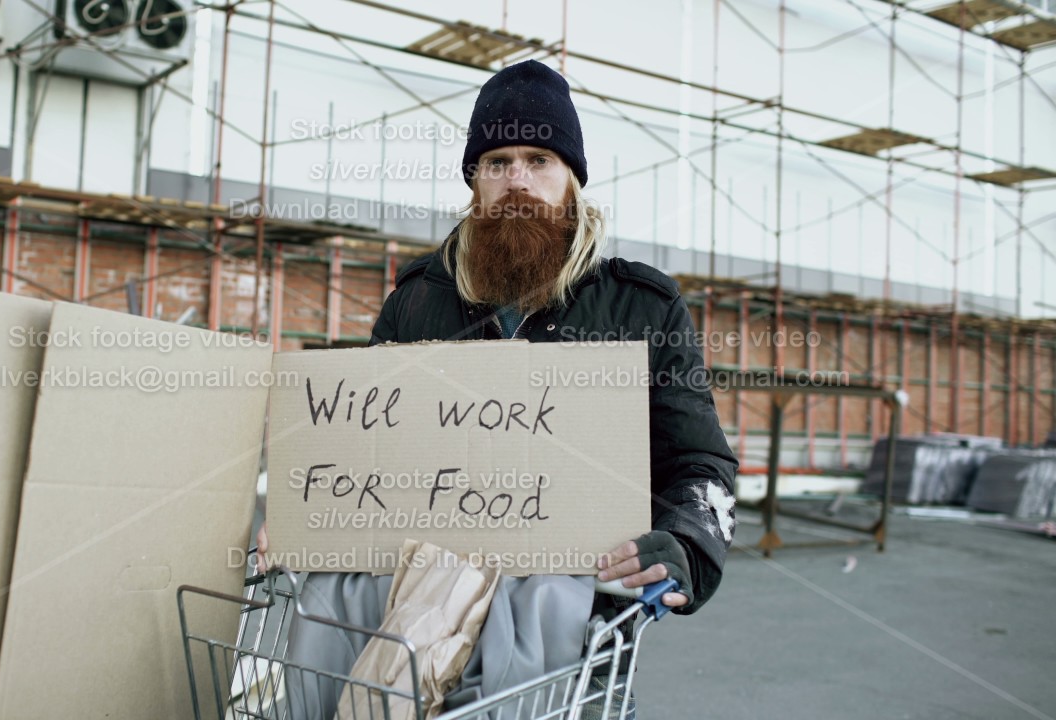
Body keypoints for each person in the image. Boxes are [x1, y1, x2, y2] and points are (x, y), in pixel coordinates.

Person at [257, 59, 738, 718]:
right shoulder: (417, 302)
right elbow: (364, 452)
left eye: (539, 159)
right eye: (497, 162)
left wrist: (684, 543)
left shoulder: (642, 307)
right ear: (474, 184)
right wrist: (300, 522)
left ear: (571, 181)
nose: (517, 180)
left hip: (573, 621)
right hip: (410, 603)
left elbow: (700, 463)